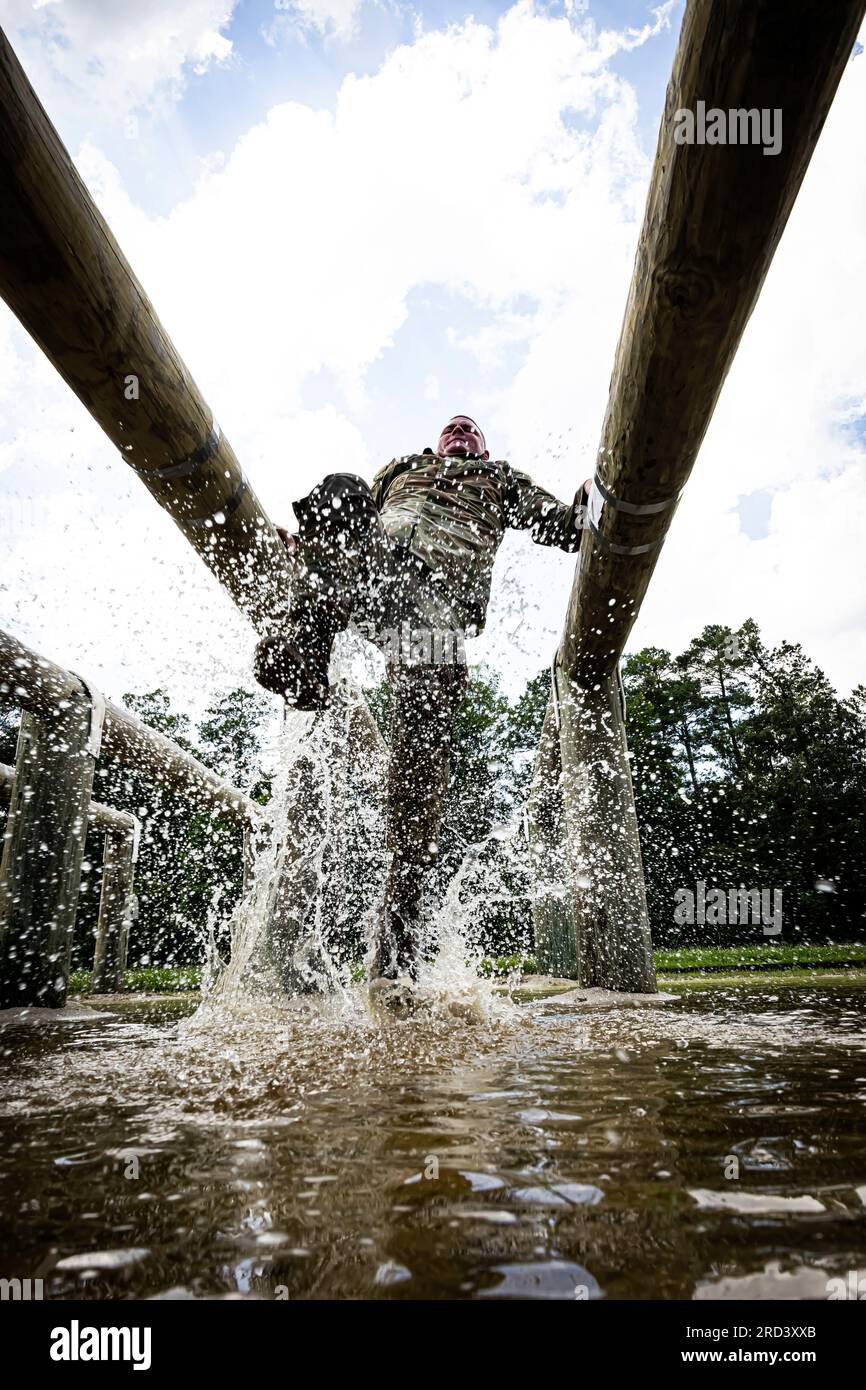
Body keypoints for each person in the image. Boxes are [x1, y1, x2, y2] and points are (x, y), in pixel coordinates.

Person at [255, 415, 589, 982]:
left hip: (438, 612)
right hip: (380, 573)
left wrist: (582, 505)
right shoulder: (402, 469)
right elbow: (349, 525)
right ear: (437, 442)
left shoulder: (499, 480)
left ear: (482, 447)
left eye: (471, 430)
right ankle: (305, 653)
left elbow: (559, 526)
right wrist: (314, 549)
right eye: (452, 428)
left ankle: (398, 951)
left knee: (414, 784)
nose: (459, 431)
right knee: (341, 489)